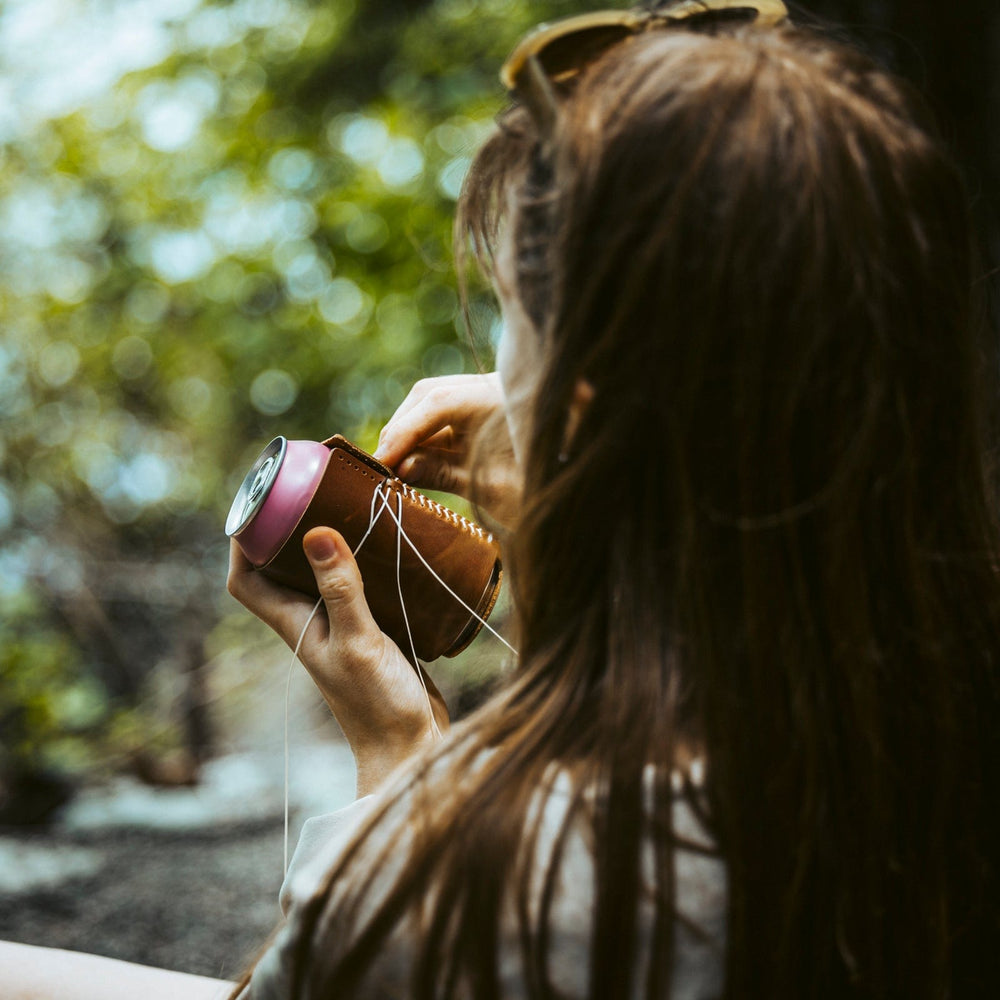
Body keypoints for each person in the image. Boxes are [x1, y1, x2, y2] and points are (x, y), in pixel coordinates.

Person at [3, 1, 998, 997]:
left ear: (580, 408)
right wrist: (600, 492)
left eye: (514, 325)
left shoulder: (513, 871)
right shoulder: (925, 738)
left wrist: (402, 768)